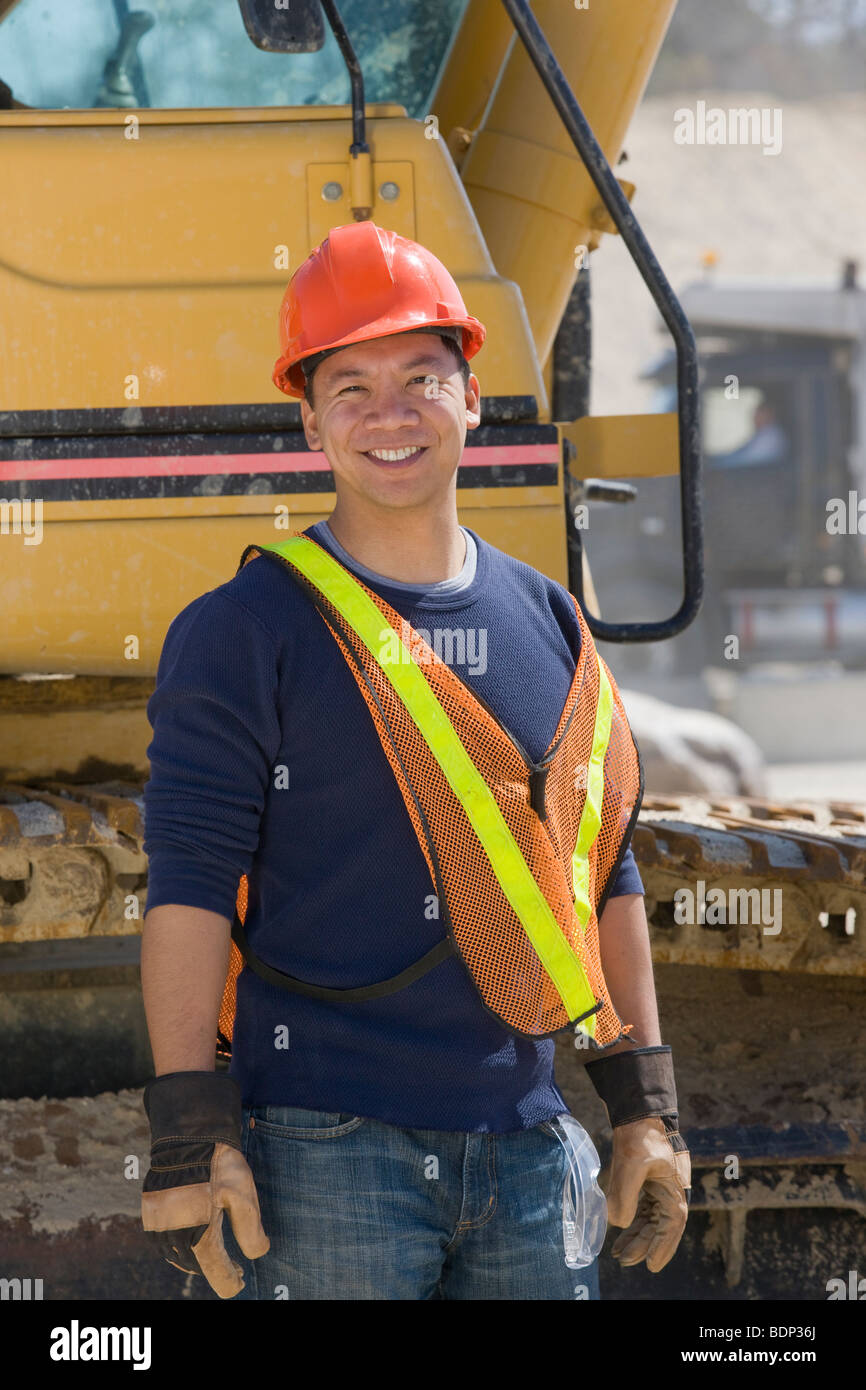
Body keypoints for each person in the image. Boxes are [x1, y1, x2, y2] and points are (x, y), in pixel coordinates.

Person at [139, 222, 690, 1301]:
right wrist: (187, 1135)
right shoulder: (247, 628)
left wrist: (644, 1109)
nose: (388, 414)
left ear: (472, 398)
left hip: (529, 1149)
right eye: (349, 386)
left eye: (420, 378)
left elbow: (597, 872)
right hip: (324, 1150)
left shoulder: (548, 620)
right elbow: (190, 886)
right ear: (308, 420)